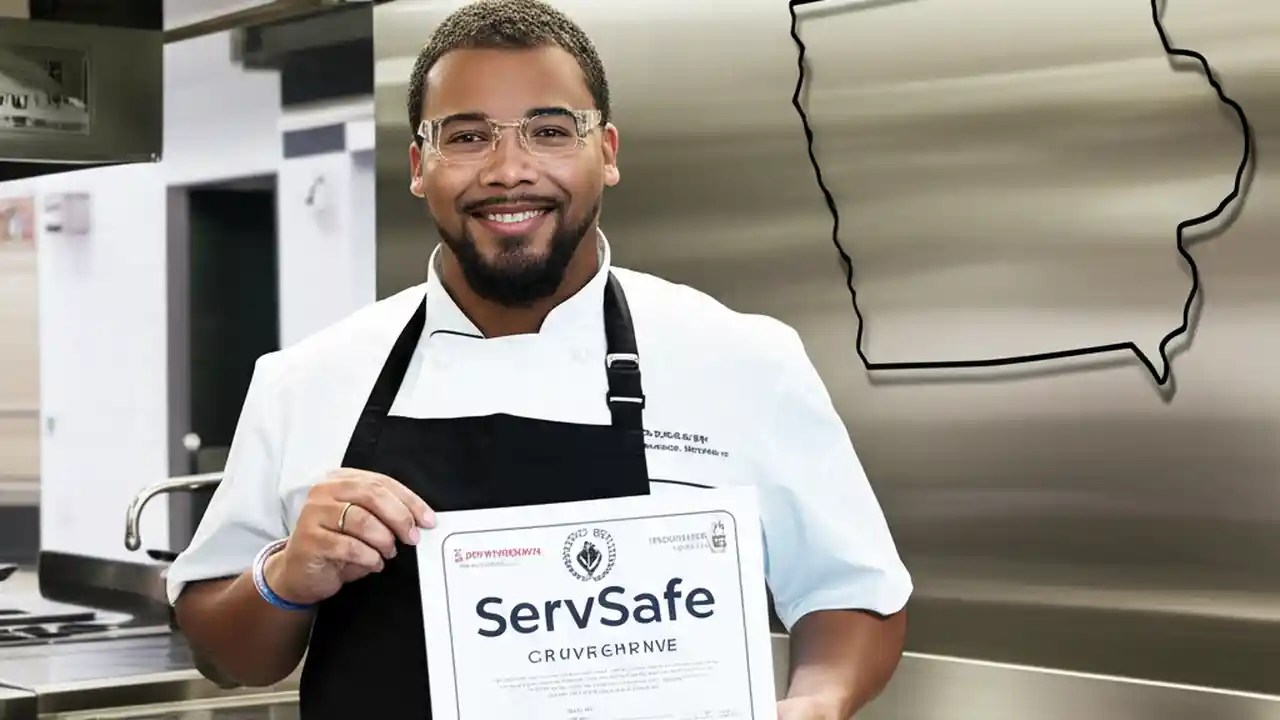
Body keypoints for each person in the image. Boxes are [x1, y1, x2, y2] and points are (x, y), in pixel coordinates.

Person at [167, 0, 912, 717]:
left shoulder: (744, 361)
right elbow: (225, 654)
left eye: (550, 131)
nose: (508, 169)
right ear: (419, 165)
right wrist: (284, 578)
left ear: (606, 153)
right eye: (467, 136)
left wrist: (820, 700)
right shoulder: (304, 381)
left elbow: (851, 593)